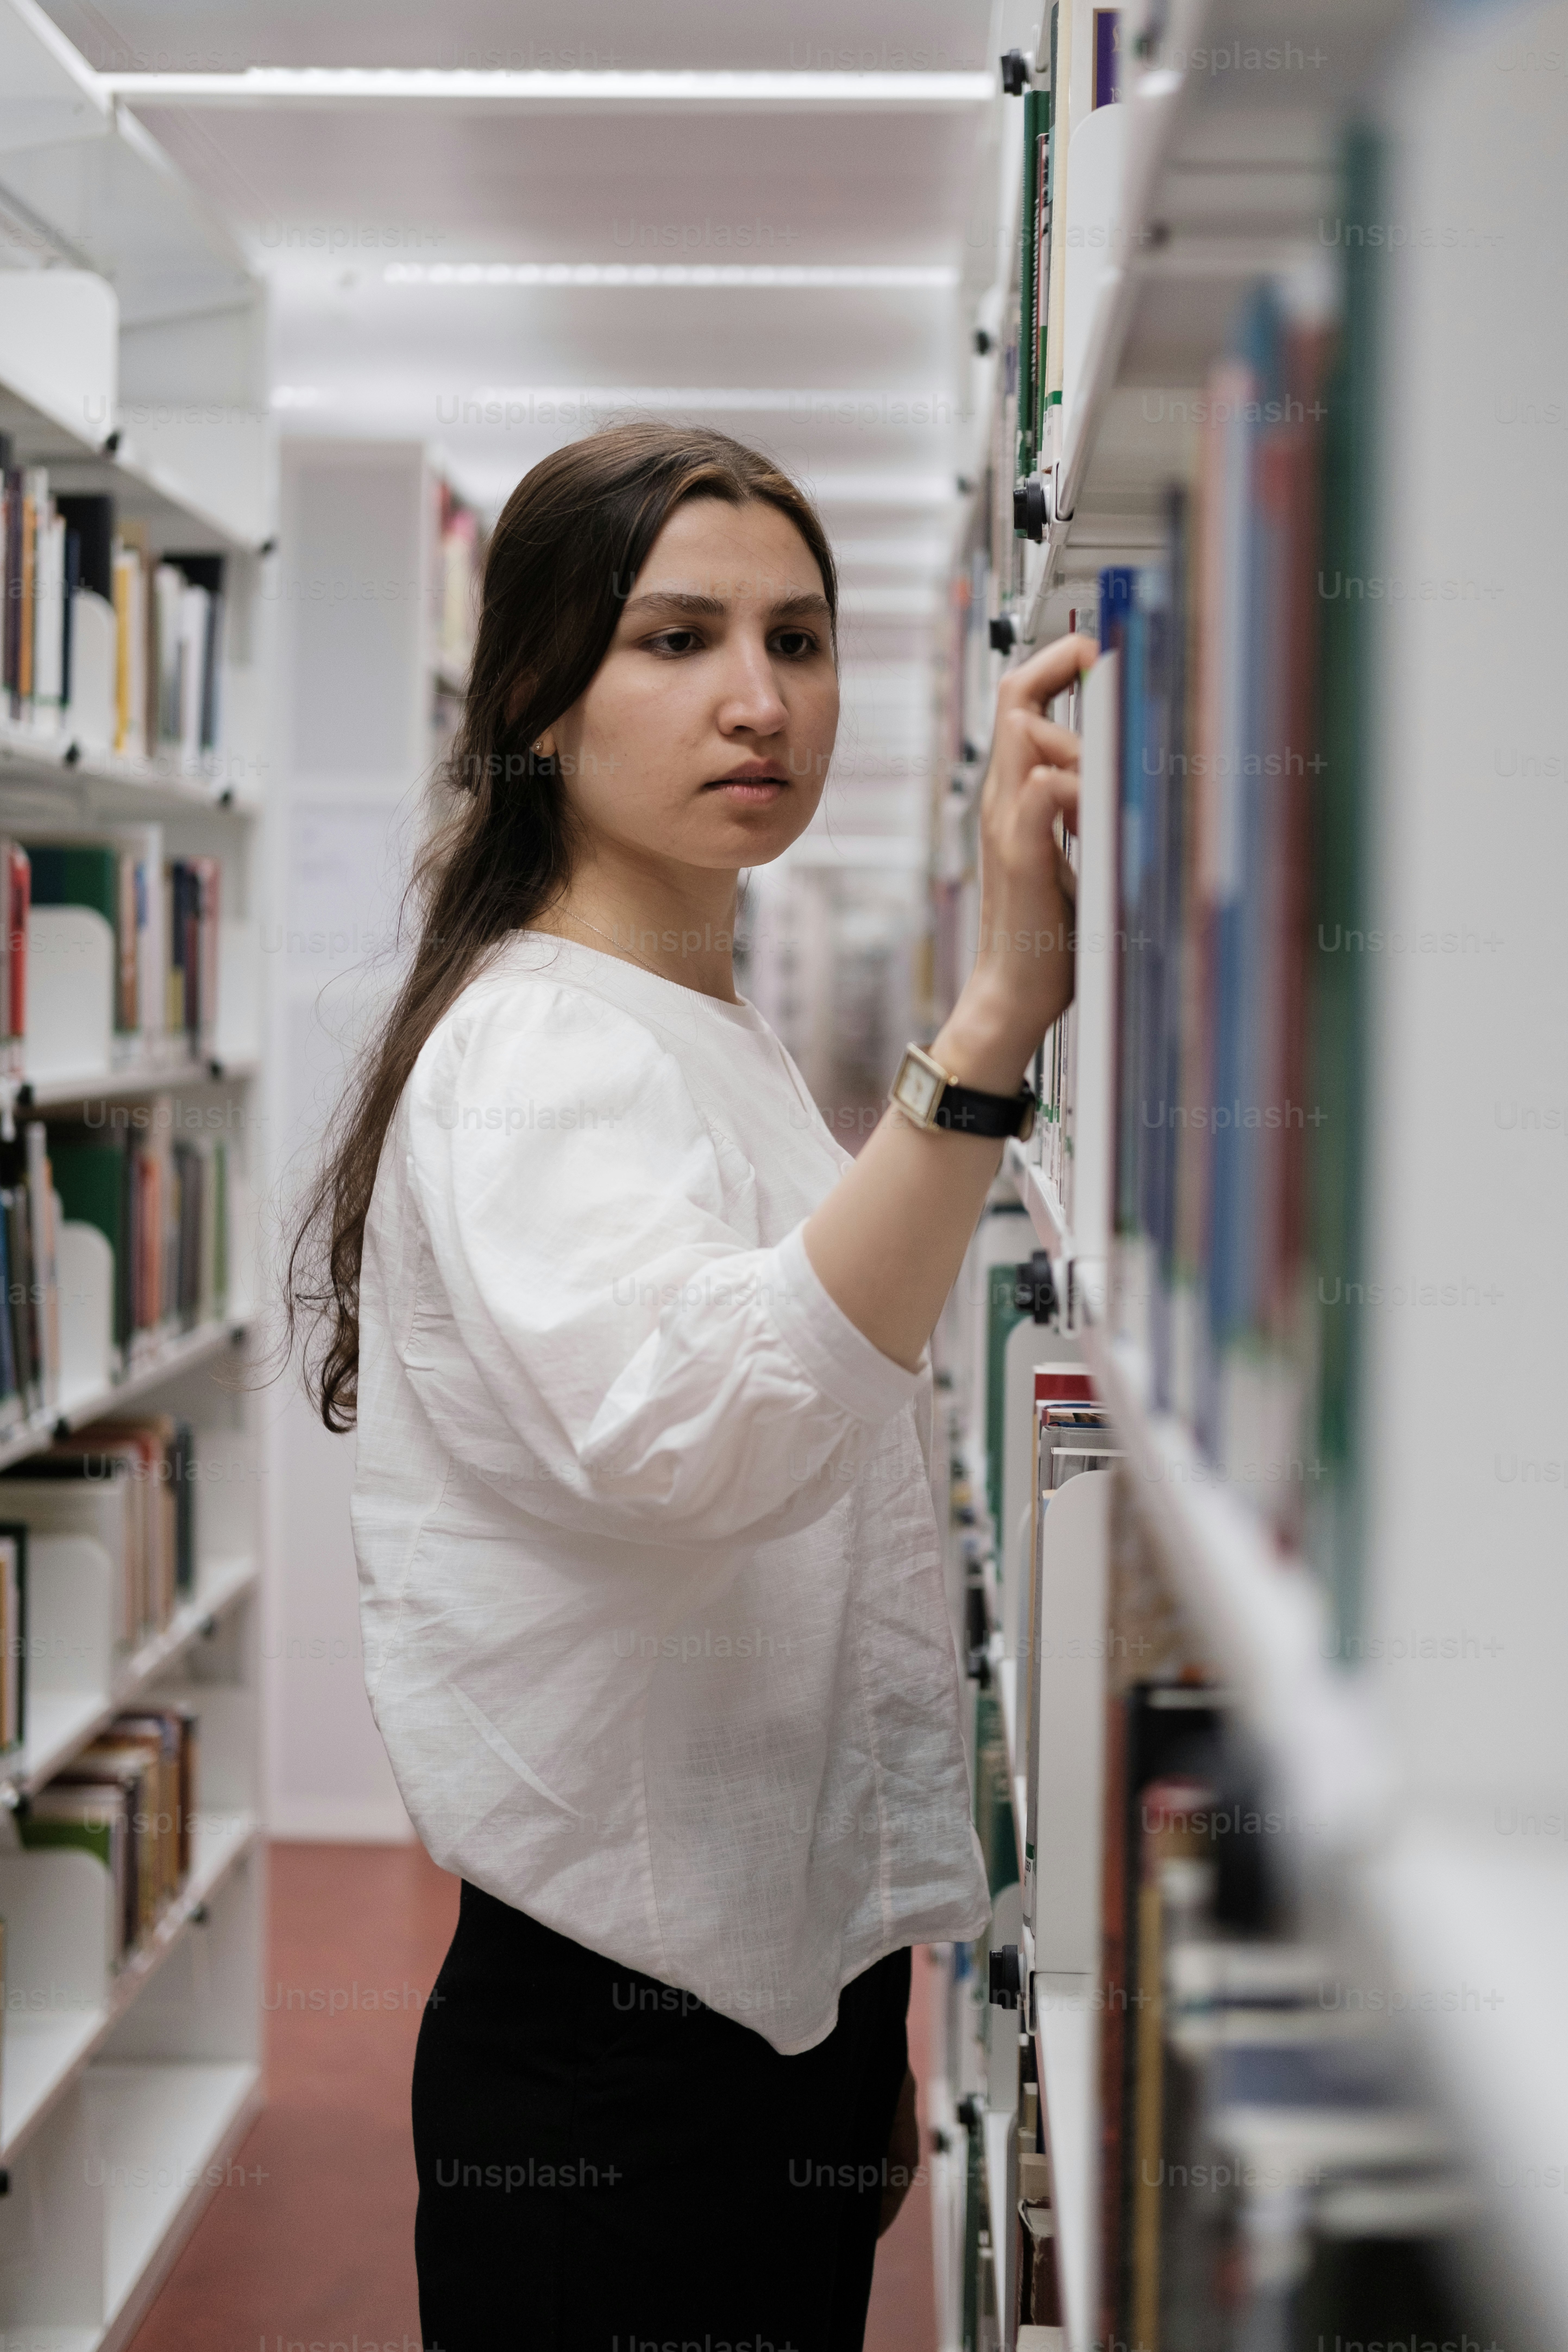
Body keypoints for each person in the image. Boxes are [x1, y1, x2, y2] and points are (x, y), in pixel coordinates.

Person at [287, 420, 1089, 2352]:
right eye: (678, 638)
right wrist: (989, 1029)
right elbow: (707, 1434)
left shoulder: (685, 1023)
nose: (759, 699)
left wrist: (842, 1999)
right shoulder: (546, 1052)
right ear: (543, 699)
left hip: (741, 2010)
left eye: (801, 642)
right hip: (611, 2056)